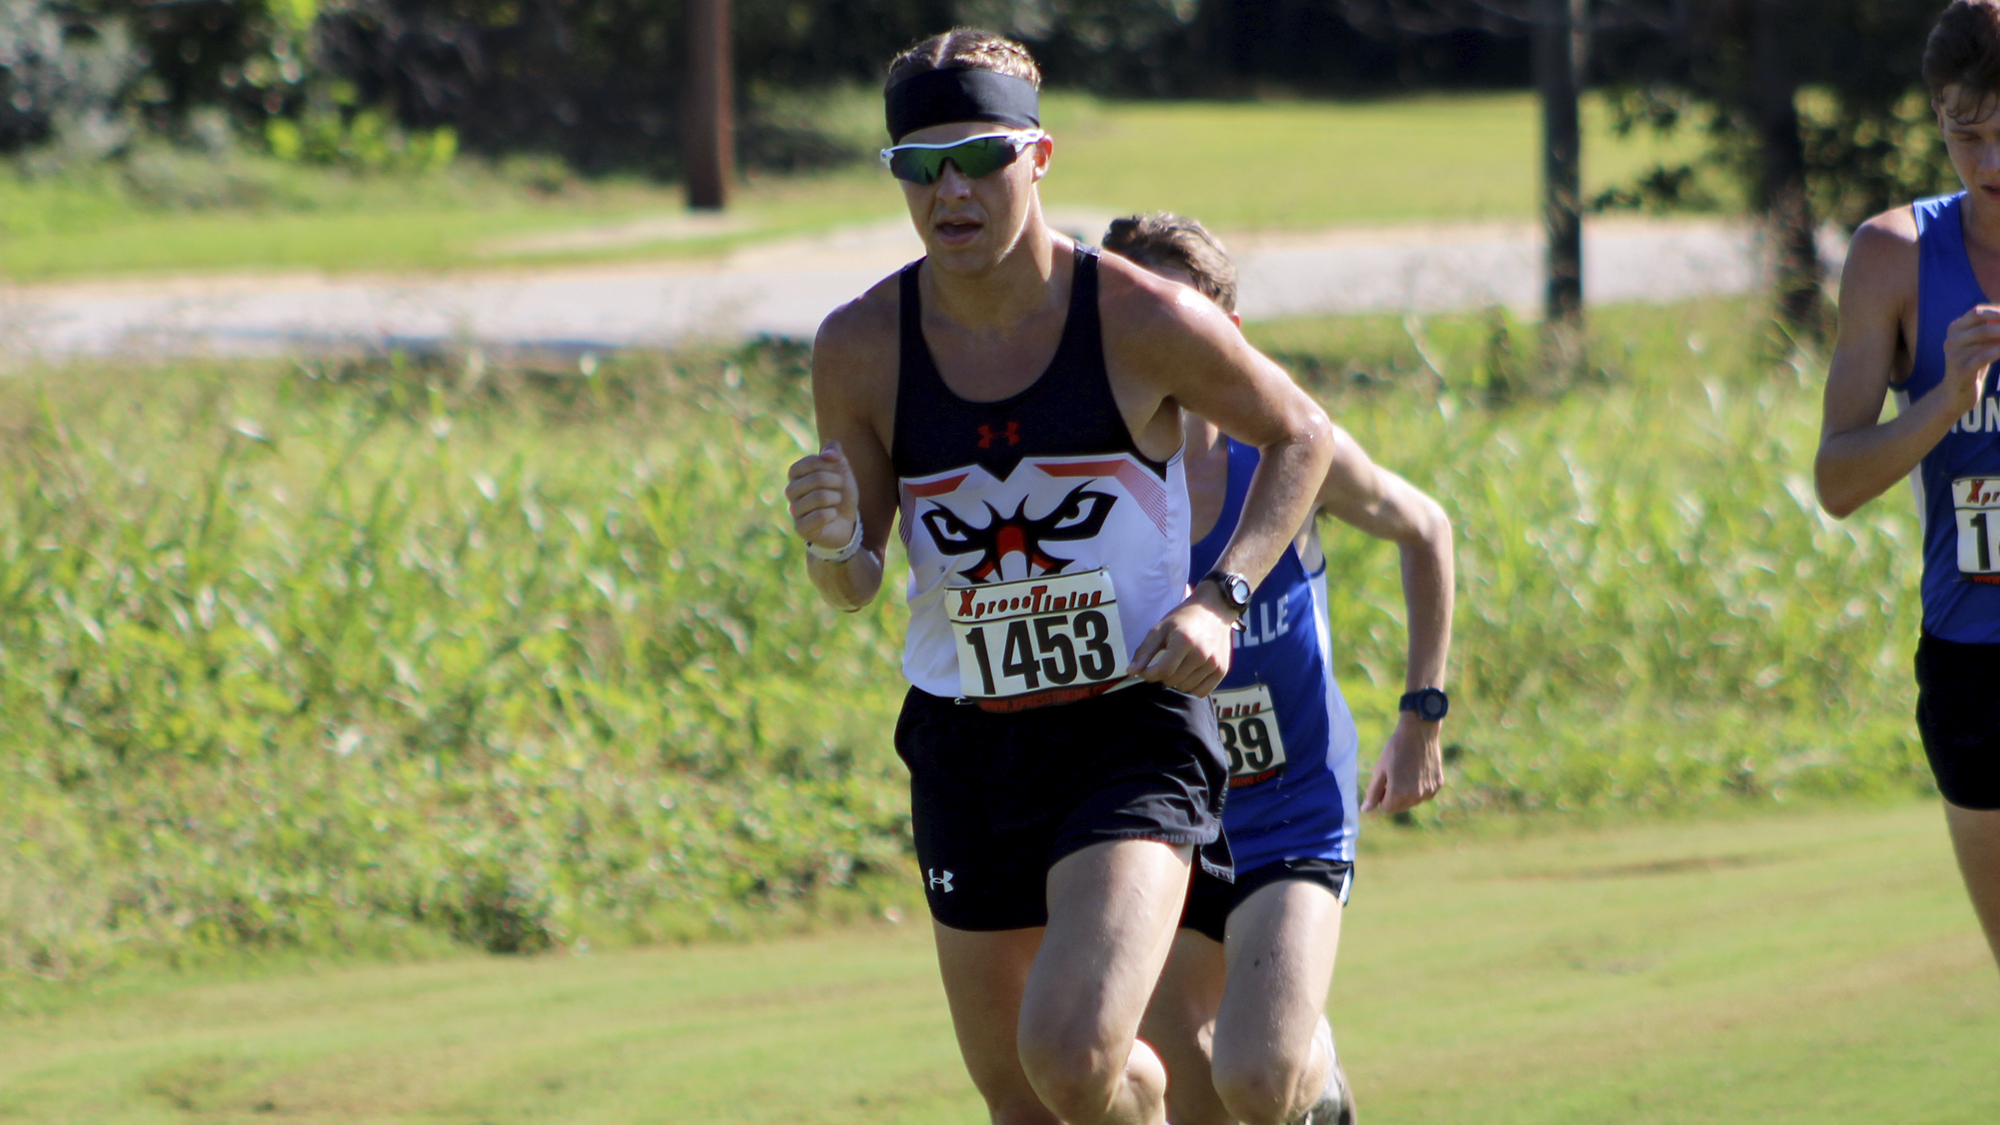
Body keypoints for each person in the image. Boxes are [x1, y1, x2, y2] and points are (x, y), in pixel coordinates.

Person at [782, 30, 1337, 1125]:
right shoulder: (858, 347)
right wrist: (829, 540)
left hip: (1126, 730)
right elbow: (853, 584)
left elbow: (1300, 435)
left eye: (979, 157)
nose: (949, 189)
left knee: (1073, 1051)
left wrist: (1218, 595)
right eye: (916, 165)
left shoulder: (1137, 319)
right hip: (963, 741)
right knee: (1028, 1101)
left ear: (1037, 158)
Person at [1102, 214, 1453, 1125]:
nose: (1158, 335)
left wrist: (1421, 710)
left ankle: (1318, 1075)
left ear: (1228, 331)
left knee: (1259, 1079)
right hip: (1159, 810)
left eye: (1180, 310)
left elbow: (1427, 529)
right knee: (1190, 1097)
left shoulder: (1289, 455)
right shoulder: (1089, 475)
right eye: (1132, 309)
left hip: (1291, 798)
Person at [1814, 0, 2000, 975]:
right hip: (1973, 662)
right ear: (1935, 117)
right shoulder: (1891, 256)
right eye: (1964, 135)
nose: (1988, 166)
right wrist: (1942, 400)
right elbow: (1835, 480)